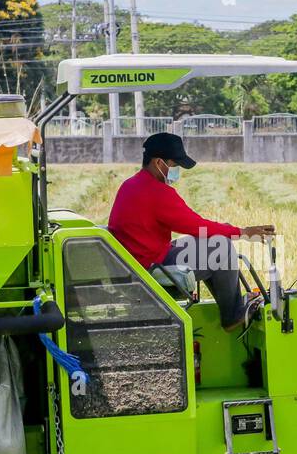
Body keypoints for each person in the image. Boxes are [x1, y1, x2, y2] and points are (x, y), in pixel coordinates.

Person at [108, 132, 274, 329]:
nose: (176, 171)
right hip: (149, 270)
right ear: (159, 163)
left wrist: (228, 229)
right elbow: (197, 226)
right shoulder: (157, 192)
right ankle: (232, 314)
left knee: (211, 241)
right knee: (221, 247)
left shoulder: (130, 185)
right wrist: (243, 232)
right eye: (174, 165)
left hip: (137, 263)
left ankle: (230, 302)